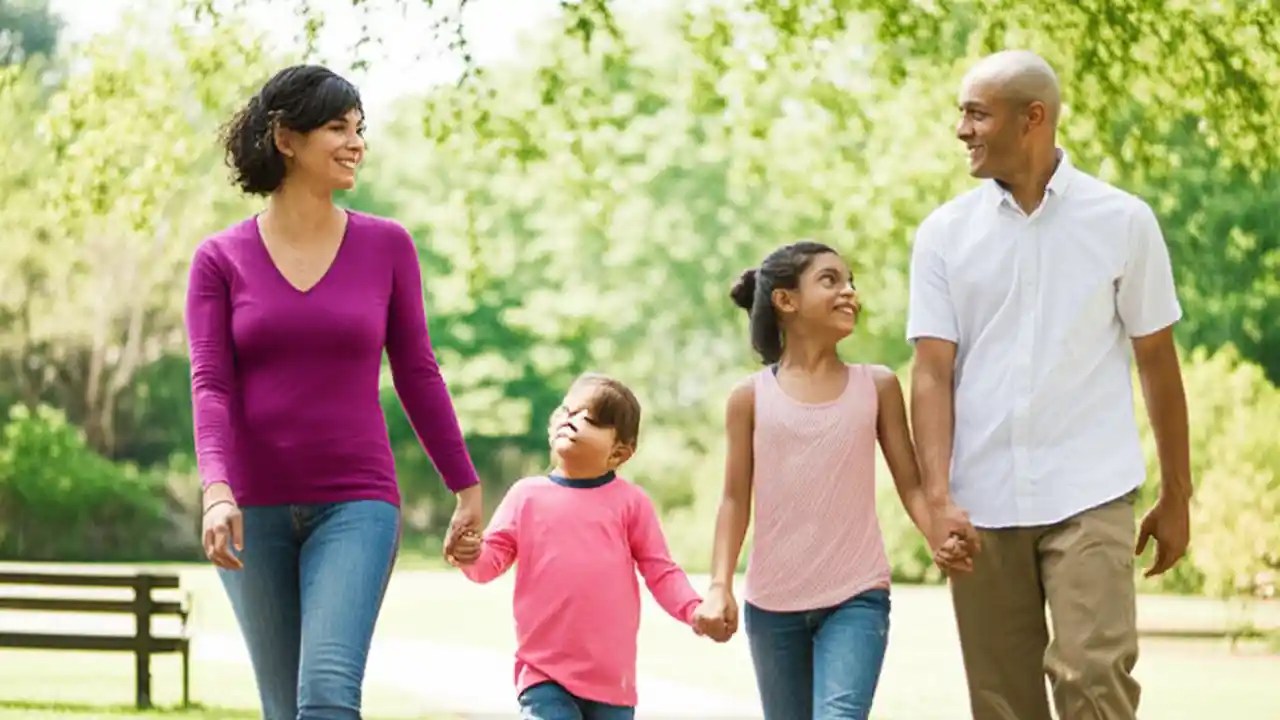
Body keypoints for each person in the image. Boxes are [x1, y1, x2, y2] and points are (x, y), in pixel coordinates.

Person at [185, 64, 484, 720]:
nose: (356, 142)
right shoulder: (219, 259)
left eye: (360, 129)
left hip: (356, 502)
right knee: (282, 709)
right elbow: (211, 385)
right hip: (251, 509)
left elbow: (417, 371)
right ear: (286, 139)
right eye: (336, 128)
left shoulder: (388, 245)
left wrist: (465, 484)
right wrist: (217, 491)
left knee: (325, 693)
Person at [907, 50, 1193, 720]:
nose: (962, 130)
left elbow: (1158, 360)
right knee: (1002, 702)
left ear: (1033, 117)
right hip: (982, 504)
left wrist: (1177, 493)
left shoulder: (1123, 221)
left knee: (1095, 679)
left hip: (1090, 493)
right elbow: (932, 374)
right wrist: (938, 499)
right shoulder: (944, 235)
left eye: (977, 113)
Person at [691, 241, 970, 720]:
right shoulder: (750, 398)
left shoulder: (877, 385)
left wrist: (936, 536)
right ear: (786, 300)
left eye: (851, 282)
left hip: (856, 596)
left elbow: (911, 484)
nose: (850, 293)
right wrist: (720, 584)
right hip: (772, 604)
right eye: (831, 280)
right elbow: (734, 500)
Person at [452, 373, 704, 720]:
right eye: (566, 410)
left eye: (589, 419)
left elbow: (661, 571)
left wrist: (694, 609)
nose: (571, 419)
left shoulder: (631, 503)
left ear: (619, 452)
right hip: (543, 674)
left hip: (612, 683)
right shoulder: (526, 496)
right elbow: (488, 563)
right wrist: (470, 552)